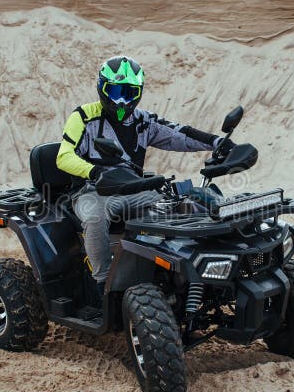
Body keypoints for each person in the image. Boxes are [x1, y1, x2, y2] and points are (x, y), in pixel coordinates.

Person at [56, 55, 231, 305]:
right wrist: (95, 172)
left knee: (183, 201)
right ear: (101, 87)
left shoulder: (143, 121)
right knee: (95, 219)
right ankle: (103, 285)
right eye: (115, 91)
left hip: (134, 189)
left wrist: (217, 143)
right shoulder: (83, 117)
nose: (121, 100)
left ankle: (186, 272)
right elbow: (63, 157)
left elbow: (179, 134)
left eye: (129, 93)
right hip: (91, 191)